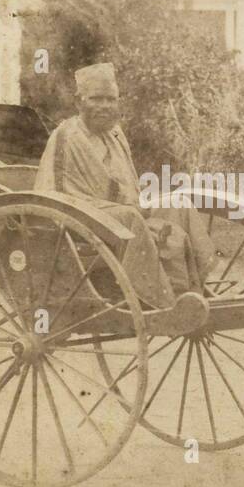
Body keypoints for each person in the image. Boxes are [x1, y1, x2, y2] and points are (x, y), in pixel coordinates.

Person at [35, 63, 213, 306]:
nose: (106, 106)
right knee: (130, 217)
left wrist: (136, 206)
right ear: (79, 102)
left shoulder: (115, 135)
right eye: (97, 99)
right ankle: (159, 299)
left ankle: (190, 289)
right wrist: (125, 209)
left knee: (178, 205)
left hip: (119, 210)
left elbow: (128, 185)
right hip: (79, 215)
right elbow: (53, 194)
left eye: (111, 99)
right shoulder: (66, 137)